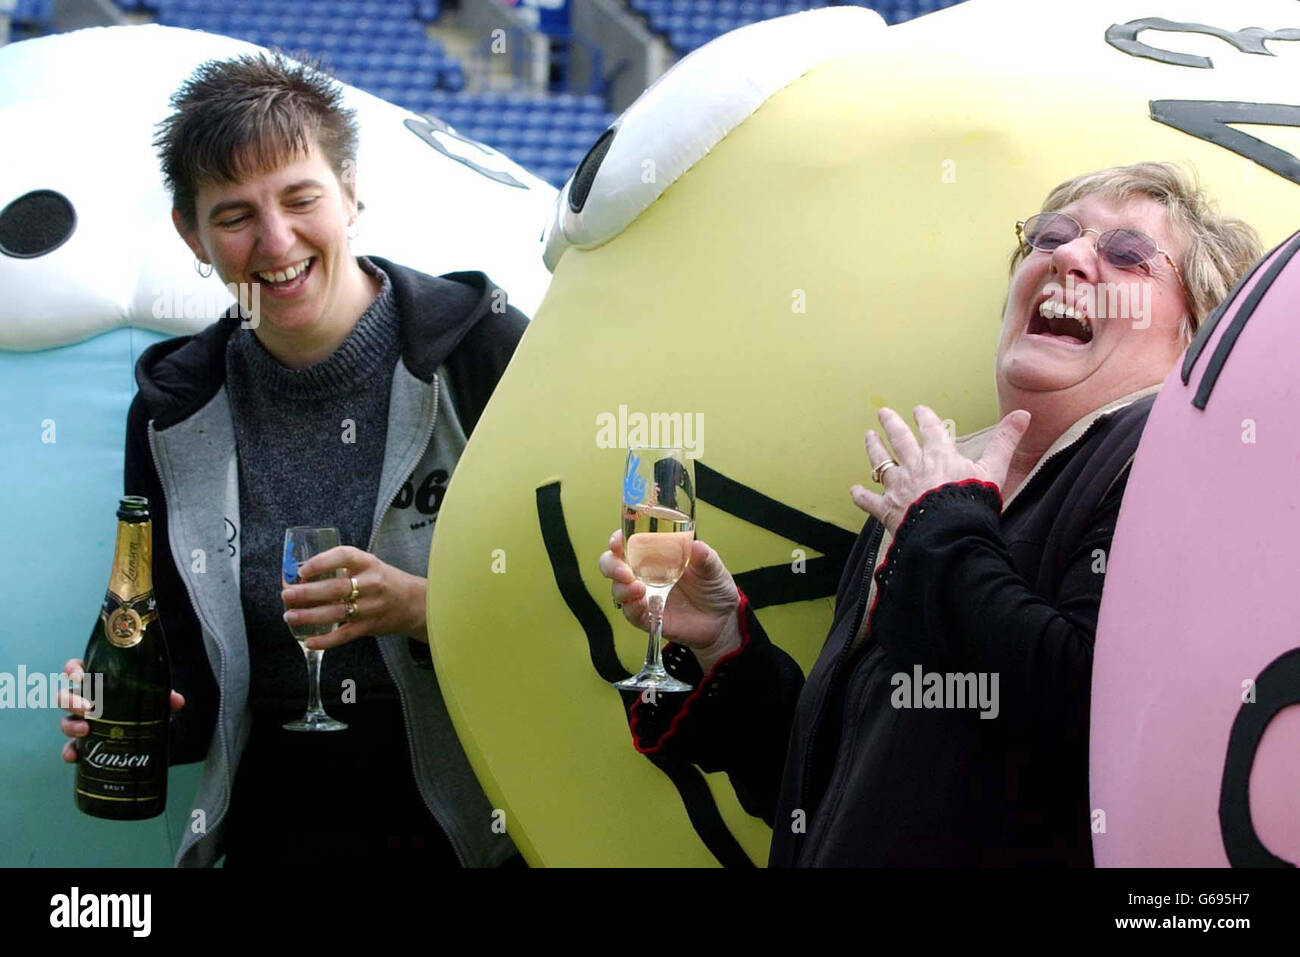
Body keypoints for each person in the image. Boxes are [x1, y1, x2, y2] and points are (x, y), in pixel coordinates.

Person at [599, 162, 1261, 866]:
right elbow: (840, 800)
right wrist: (725, 644)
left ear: (1196, 335)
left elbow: (1095, 715)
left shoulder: (1172, 470)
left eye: (1126, 253)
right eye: (1050, 237)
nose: (1068, 256)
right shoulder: (932, 487)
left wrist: (942, 526)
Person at [57, 52, 525, 868]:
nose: (276, 241)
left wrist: (424, 606)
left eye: (301, 198)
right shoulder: (174, 408)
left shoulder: (482, 348)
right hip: (277, 828)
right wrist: (137, 712)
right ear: (190, 234)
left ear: (350, 192)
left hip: (477, 827)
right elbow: (194, 675)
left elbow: (582, 596)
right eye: (234, 215)